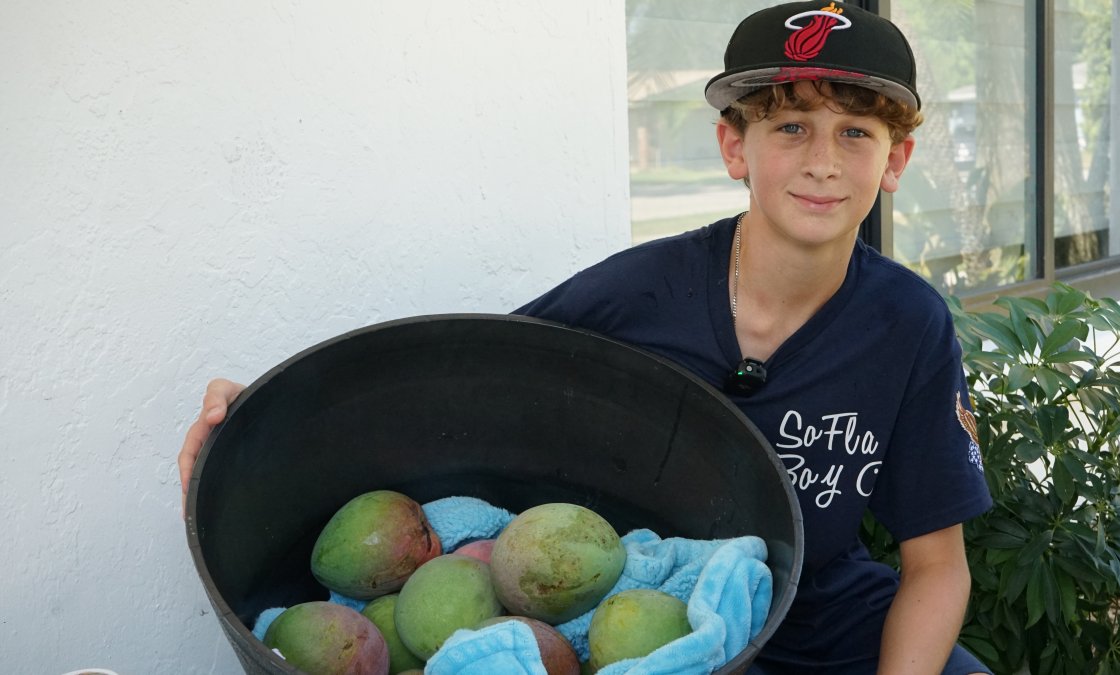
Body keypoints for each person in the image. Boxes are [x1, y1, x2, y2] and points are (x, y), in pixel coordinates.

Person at [178, 3, 993, 673]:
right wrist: (256, 421)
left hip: (831, 627)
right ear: (734, 146)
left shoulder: (907, 323)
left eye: (856, 132)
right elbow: (442, 391)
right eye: (790, 127)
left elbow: (936, 564)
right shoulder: (641, 292)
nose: (823, 160)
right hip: (655, 630)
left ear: (896, 160)